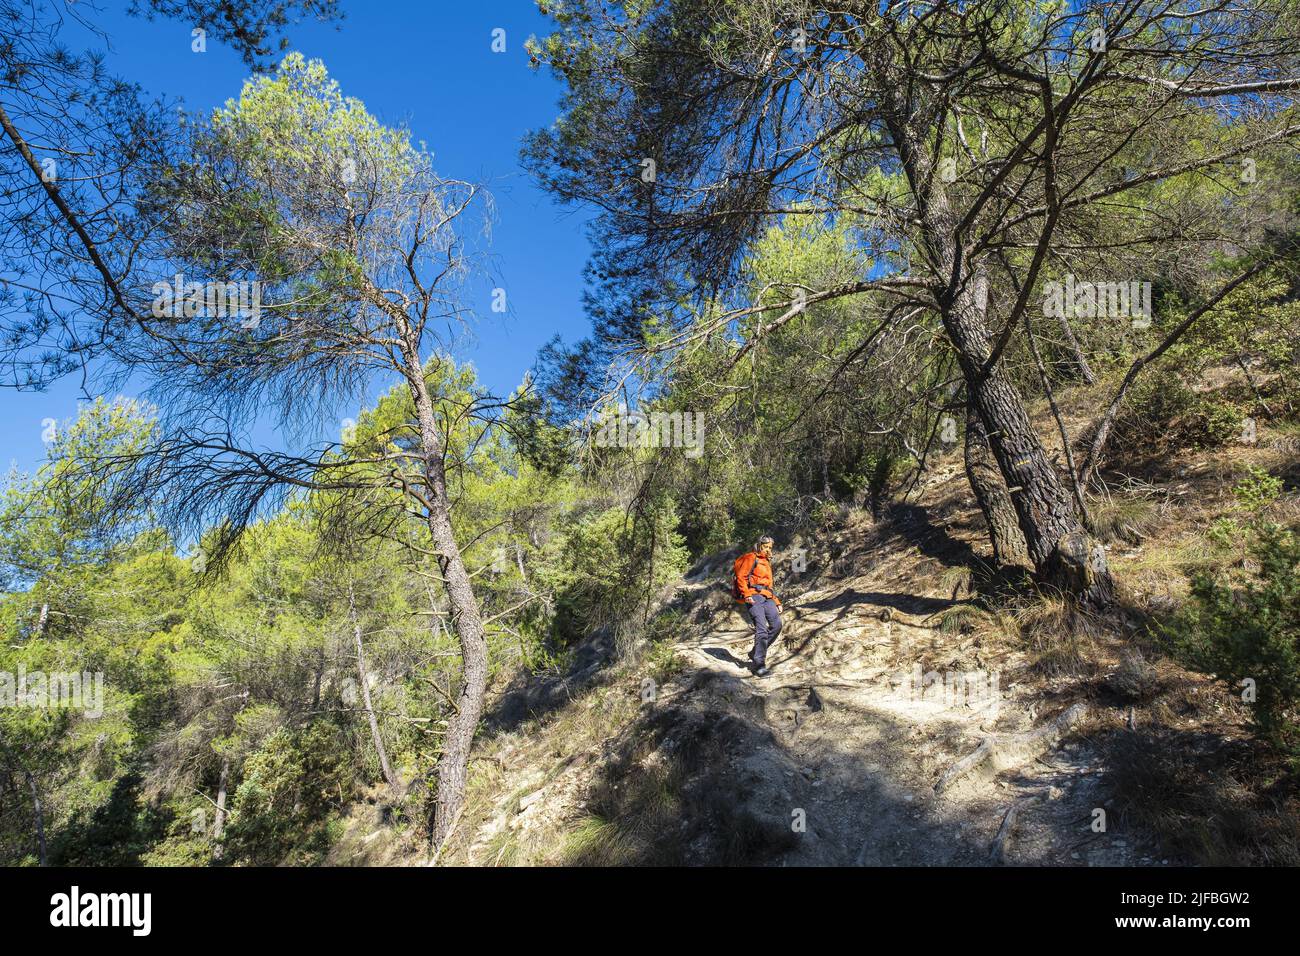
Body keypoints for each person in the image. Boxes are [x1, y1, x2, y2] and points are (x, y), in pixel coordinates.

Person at [733, 535, 782, 677]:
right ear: (759, 545)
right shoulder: (750, 557)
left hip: (767, 597)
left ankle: (755, 652)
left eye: (770, 547)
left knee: (777, 625)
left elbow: (770, 585)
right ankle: (758, 665)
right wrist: (746, 594)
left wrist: (777, 601)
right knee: (761, 629)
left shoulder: (767, 562)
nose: (768, 549)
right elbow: (741, 576)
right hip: (754, 596)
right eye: (765, 546)